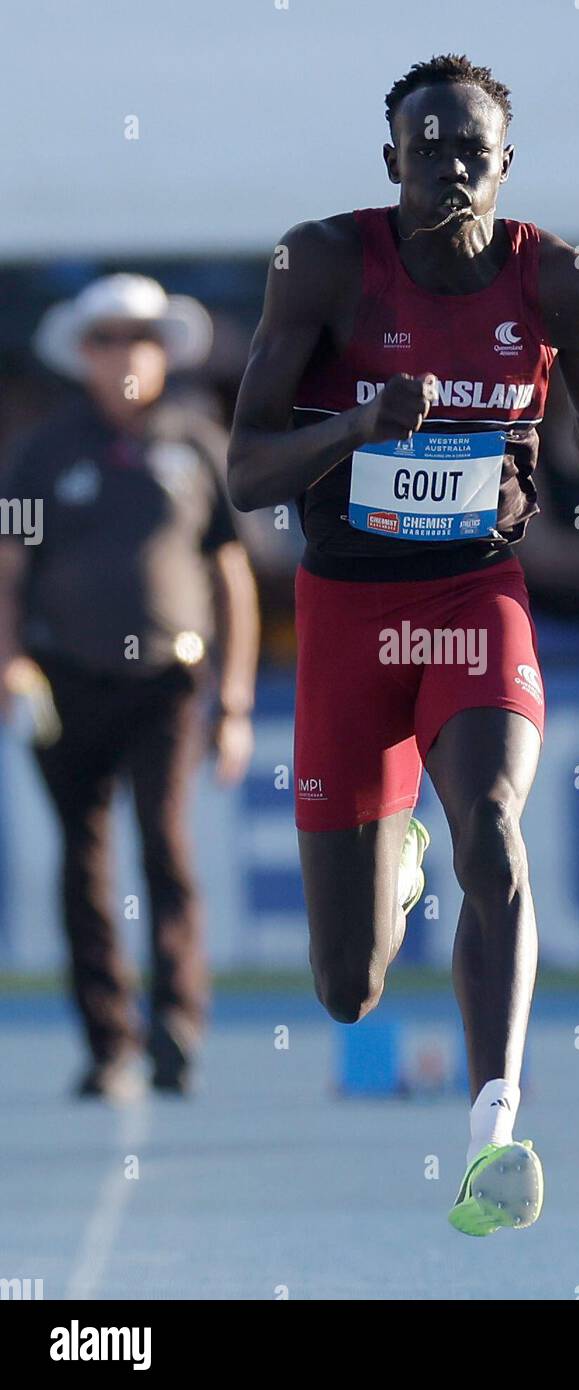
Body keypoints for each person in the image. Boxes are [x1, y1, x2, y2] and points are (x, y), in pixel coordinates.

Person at [227, 54, 579, 1236]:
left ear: (505, 166)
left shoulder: (562, 285)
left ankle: (494, 1128)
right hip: (345, 614)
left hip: (473, 595)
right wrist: (354, 427)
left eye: (468, 150)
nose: (447, 166)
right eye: (424, 146)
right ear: (388, 158)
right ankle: (395, 866)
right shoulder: (323, 265)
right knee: (347, 989)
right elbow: (242, 474)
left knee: (490, 823)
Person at [0, 273, 260, 1100]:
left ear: (162, 351)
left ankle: (178, 1024)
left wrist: (237, 701)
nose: (124, 355)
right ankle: (110, 1041)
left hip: (169, 682)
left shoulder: (194, 444)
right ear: (83, 352)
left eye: (139, 338)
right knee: (81, 859)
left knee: (165, 842)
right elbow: (8, 568)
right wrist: (10, 660)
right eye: (106, 338)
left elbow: (232, 577)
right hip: (67, 678)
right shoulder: (43, 453)